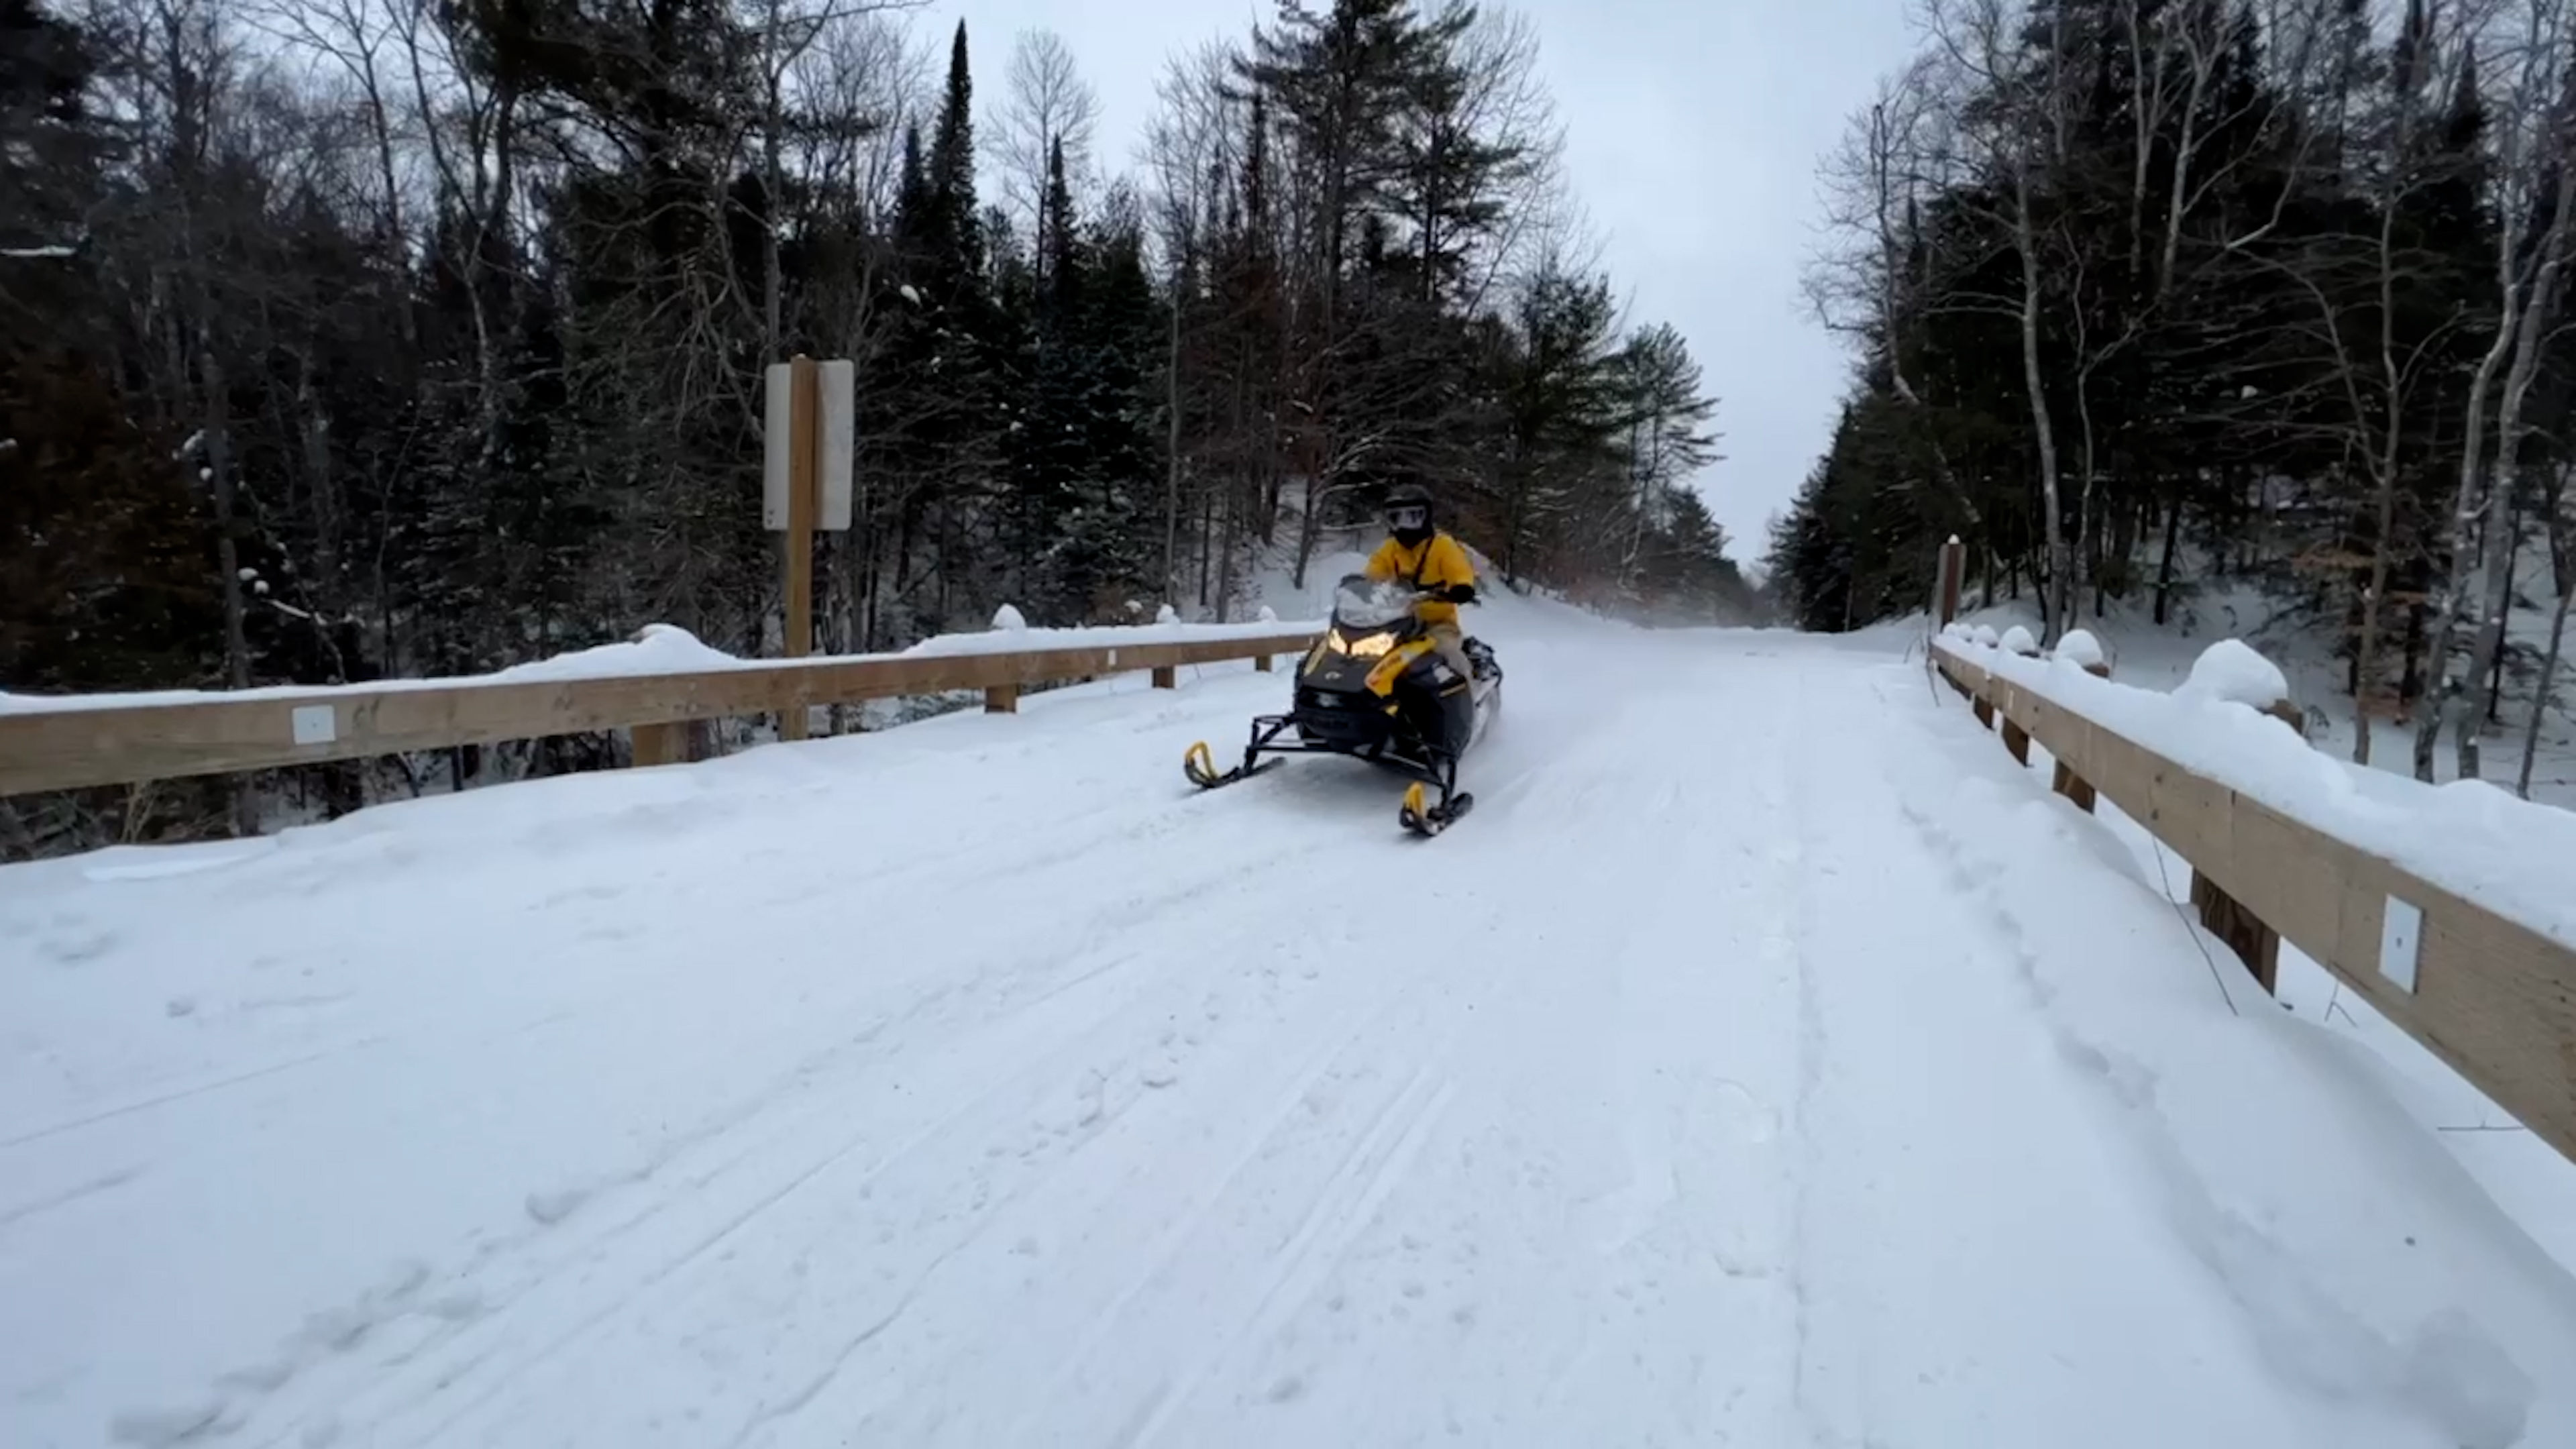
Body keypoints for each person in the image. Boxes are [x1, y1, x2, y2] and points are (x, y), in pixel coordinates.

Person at [1362, 482, 1480, 685]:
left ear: (1426, 517)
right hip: (1396, 622)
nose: (1404, 525)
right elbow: (1373, 574)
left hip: (1437, 623)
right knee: (1365, 655)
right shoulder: (1390, 549)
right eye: (1396, 518)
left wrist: (1461, 587)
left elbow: (1460, 570)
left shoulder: (1443, 545)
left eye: (1412, 517)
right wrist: (1362, 590)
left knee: (1447, 651)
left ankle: (1468, 694)